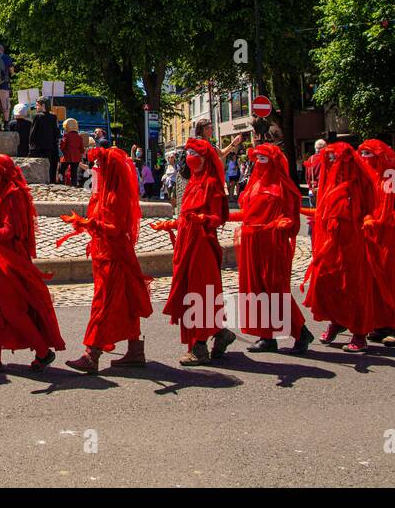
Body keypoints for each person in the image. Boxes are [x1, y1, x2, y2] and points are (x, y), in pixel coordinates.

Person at [0, 154, 65, 372]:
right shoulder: (1, 191)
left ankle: (42, 351)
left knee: (11, 309)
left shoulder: (12, 195)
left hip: (8, 260)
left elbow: (11, 230)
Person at [61, 146, 154, 372]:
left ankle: (92, 354)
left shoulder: (115, 194)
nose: (95, 169)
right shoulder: (105, 191)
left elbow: (115, 228)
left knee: (103, 305)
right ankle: (135, 350)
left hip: (115, 256)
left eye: (99, 165)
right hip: (108, 254)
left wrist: (88, 224)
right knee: (125, 302)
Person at [150, 137, 235, 366]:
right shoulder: (193, 182)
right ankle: (220, 333)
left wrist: (202, 219)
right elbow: (185, 215)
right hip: (188, 244)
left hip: (202, 247)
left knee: (201, 293)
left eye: (194, 154)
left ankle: (200, 347)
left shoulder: (211, 184)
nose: (190, 158)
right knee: (192, 292)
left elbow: (217, 218)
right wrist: (171, 225)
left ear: (204, 159)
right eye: (188, 154)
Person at [222, 143, 312, 354]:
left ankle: (300, 331)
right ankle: (266, 336)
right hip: (252, 242)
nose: (259, 163)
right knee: (256, 290)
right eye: (257, 159)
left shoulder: (282, 186)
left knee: (275, 290)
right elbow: (247, 212)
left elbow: (291, 214)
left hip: (272, 243)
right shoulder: (254, 184)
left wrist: (285, 223)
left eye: (264, 159)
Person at [299, 142, 384, 353]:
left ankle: (359, 332)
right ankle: (337, 320)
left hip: (353, 244)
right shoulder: (328, 183)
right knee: (329, 282)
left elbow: (371, 208)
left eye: (333, 160)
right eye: (327, 160)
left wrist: (368, 220)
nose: (330, 164)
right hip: (330, 243)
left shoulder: (359, 182)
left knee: (354, 286)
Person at [357, 139, 395, 346]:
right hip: (370, 234)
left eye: (368, 154)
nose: (363, 159)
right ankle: (380, 323)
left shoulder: (390, 176)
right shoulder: (364, 177)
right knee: (373, 281)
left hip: (389, 235)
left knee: (391, 280)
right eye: (362, 154)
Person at [29, 98, 60, 186]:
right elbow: (56, 132)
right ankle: (48, 180)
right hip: (49, 146)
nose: (36, 107)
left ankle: (38, 180)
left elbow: (33, 132)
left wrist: (30, 143)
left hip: (37, 146)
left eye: (37, 105)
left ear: (43, 105)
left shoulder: (37, 116)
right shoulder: (53, 117)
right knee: (48, 165)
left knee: (37, 165)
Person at [60, 117, 85, 187]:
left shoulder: (66, 135)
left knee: (61, 170)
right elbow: (82, 149)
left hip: (67, 156)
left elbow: (62, 146)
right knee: (74, 173)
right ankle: (74, 186)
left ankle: (62, 183)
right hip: (76, 157)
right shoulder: (79, 136)